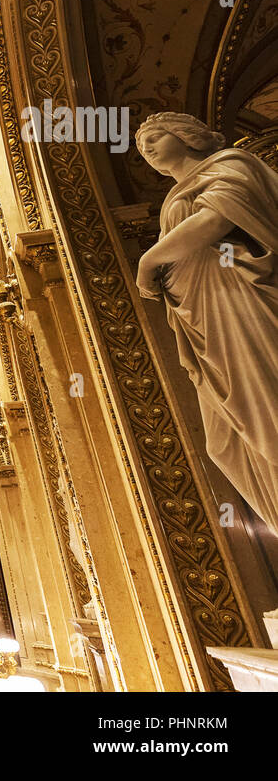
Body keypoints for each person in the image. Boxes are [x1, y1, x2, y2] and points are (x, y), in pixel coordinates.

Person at [135, 112, 278, 530]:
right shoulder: (177, 196)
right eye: (141, 147)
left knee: (266, 410)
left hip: (239, 298)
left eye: (153, 138)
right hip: (200, 316)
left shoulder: (231, 165)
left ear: (187, 135)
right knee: (225, 443)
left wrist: (149, 259)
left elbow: (218, 219)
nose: (145, 149)